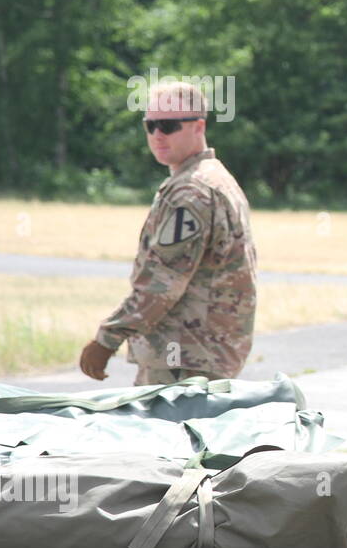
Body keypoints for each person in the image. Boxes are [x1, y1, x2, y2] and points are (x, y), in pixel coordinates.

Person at [79, 81, 257, 386]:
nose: (157, 135)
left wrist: (107, 338)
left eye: (169, 125)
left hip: (184, 358)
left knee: (162, 433)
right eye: (150, 125)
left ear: (199, 127)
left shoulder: (192, 191)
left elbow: (162, 283)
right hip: (202, 353)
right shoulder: (213, 178)